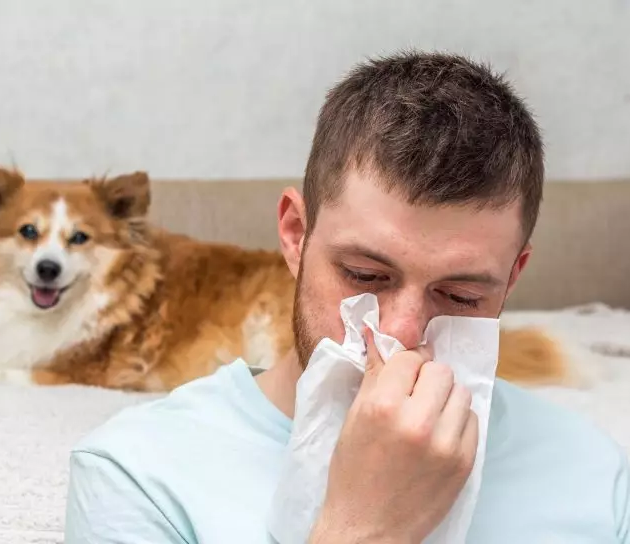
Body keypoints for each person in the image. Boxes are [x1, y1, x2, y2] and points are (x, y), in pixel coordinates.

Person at [64, 51, 630, 543]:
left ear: (511, 279)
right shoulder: (137, 477)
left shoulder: (599, 479)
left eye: (459, 295)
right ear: (294, 236)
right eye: (365, 276)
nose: (403, 334)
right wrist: (366, 529)